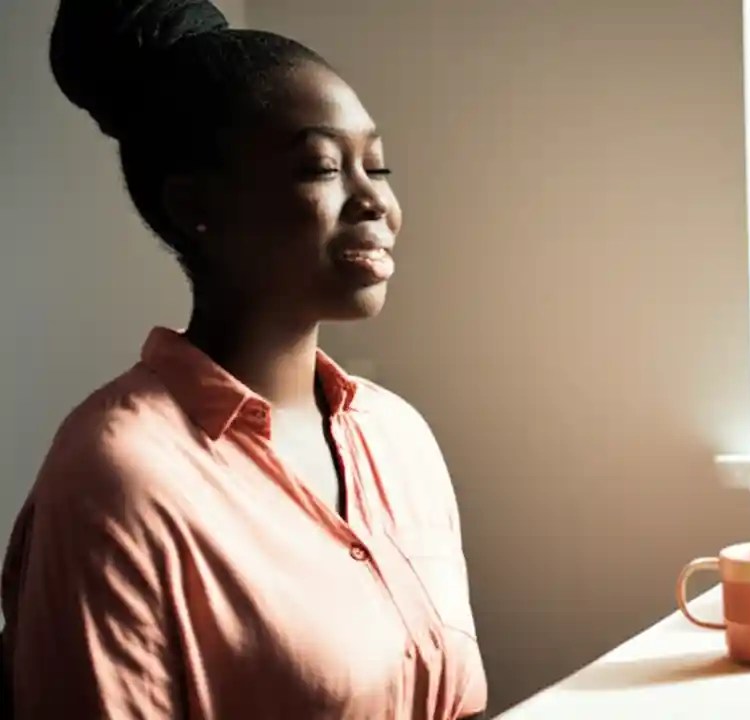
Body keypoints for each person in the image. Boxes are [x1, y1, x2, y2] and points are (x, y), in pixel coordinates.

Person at [0, 1, 487, 717]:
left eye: (377, 165)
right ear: (197, 204)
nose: (374, 200)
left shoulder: (399, 438)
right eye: (321, 167)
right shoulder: (118, 481)